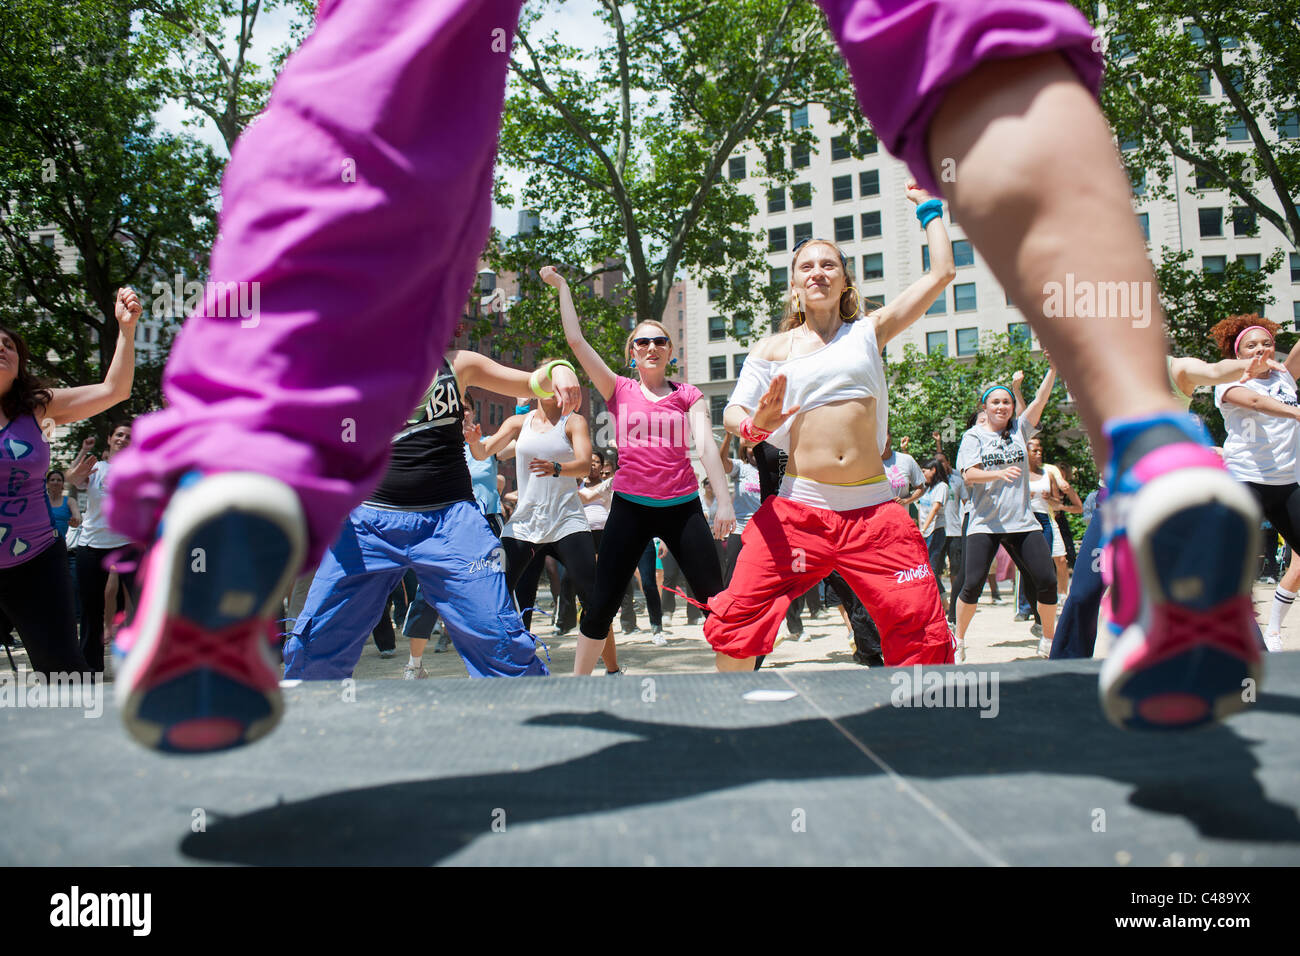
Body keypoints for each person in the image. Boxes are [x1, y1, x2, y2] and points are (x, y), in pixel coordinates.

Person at [105, 0, 1263, 749]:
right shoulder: (743, 352)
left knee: (396, 32)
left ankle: (247, 457)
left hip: (837, 509)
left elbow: (876, 323)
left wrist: (719, 450)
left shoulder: (852, 330)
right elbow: (636, 385)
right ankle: (1157, 447)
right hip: (793, 508)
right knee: (970, 30)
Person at [707, 189, 957, 671]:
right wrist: (757, 425)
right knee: (738, 623)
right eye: (806, 266)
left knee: (923, 634)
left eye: (829, 265)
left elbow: (941, 273)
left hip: (876, 517)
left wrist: (930, 208)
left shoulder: (869, 331)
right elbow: (733, 415)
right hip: (801, 513)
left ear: (844, 282)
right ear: (795, 286)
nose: (817, 272)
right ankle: (727, 725)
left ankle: (926, 736)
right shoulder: (773, 348)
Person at [546, 265, 734, 675]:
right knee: (601, 604)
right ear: (633, 352)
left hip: (682, 507)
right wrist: (562, 287)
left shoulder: (688, 395)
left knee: (716, 600)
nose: (652, 346)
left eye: (660, 341)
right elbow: (575, 342)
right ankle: (578, 685)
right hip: (629, 508)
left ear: (670, 351)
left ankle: (733, 684)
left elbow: (704, 444)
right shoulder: (618, 388)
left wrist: (723, 501)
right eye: (643, 341)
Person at [1054, 349, 1279, 660]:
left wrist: (1245, 365)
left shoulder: (1174, 370)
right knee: (1082, 595)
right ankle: (1065, 671)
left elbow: (1214, 371)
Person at [0, 290, 137, 675]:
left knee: (65, 673)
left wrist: (126, 331)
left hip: (36, 563)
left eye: (9, 344)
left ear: (19, 361)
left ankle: (78, 734)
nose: (1, 348)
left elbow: (114, 391)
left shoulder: (37, 407)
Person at [954, 367, 1059, 661]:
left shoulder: (1019, 430)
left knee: (1047, 580)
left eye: (1007, 402)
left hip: (1022, 521)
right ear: (985, 408)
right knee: (972, 584)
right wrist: (998, 474)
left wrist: (1054, 369)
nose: (1002, 406)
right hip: (985, 523)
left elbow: (1040, 400)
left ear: (1013, 408)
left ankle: (1049, 640)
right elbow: (969, 475)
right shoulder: (973, 437)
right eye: (996, 402)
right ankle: (958, 640)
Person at [72, 420, 141, 674]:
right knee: (91, 611)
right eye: (119, 435)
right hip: (91, 546)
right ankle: (90, 670)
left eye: (128, 437)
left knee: (144, 604)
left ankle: (146, 664)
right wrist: (82, 453)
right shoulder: (95, 468)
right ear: (110, 438)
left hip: (128, 545)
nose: (123, 439)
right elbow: (72, 478)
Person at [916, 458, 951, 599]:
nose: (922, 474)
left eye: (924, 471)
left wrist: (923, 529)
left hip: (935, 531)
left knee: (931, 569)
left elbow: (935, 508)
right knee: (927, 568)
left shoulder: (942, 487)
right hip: (925, 532)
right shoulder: (928, 488)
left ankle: (942, 602)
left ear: (933, 470)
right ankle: (942, 601)